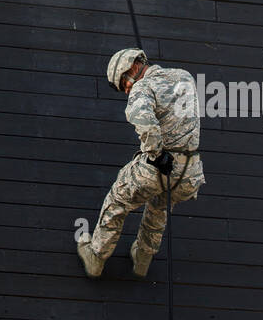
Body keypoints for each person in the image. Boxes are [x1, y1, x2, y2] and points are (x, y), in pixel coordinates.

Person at [77, 48, 205, 279]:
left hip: (159, 165)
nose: (126, 88)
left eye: (124, 81)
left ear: (135, 66)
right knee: (160, 207)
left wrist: (157, 154)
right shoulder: (185, 76)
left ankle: (96, 256)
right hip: (190, 173)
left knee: (117, 199)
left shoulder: (142, 88)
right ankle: (142, 259)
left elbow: (143, 120)